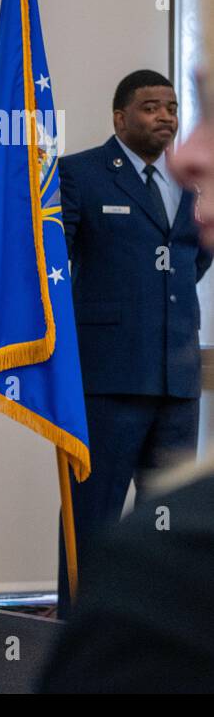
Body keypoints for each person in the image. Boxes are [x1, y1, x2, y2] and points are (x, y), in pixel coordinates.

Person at [56, 70, 210, 618]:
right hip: (107, 376)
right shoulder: (79, 174)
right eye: (150, 107)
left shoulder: (194, 179)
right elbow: (54, 262)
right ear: (119, 117)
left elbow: (193, 259)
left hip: (176, 376)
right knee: (92, 512)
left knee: (167, 519)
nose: (164, 116)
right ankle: (78, 628)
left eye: (171, 107)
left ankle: (156, 632)